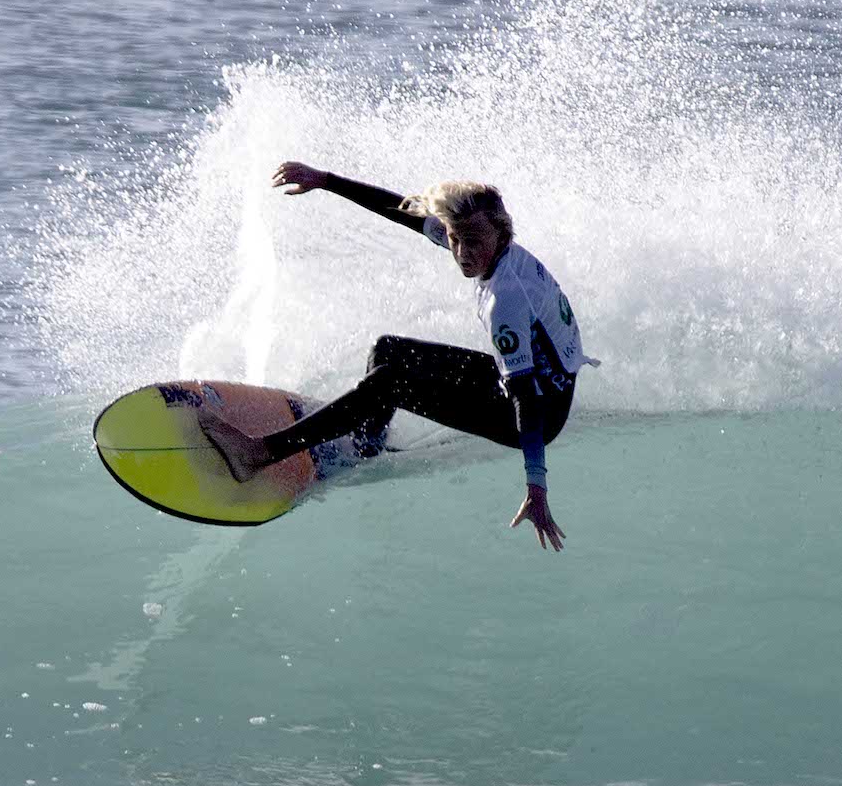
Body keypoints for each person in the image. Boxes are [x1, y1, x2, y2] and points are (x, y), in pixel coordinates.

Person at [196, 161, 595, 552]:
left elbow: (523, 394)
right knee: (388, 350)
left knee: (389, 382)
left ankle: (258, 454)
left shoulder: (506, 297)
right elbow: (401, 209)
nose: (462, 252)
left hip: (537, 411)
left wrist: (536, 486)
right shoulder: (485, 240)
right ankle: (366, 443)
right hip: (538, 381)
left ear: (500, 232)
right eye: (455, 239)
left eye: (472, 242)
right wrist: (325, 180)